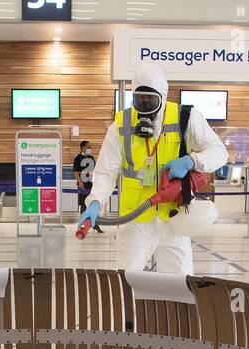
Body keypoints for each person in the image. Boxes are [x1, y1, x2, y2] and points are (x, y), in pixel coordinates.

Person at [79, 63, 228, 273]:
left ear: (163, 96)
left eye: (150, 99)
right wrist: (95, 202)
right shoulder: (121, 125)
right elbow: (105, 172)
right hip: (135, 223)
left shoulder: (186, 118)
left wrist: (191, 161)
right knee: (127, 280)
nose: (145, 105)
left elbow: (220, 152)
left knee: (179, 283)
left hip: (175, 220)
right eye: (139, 99)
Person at [73, 140, 101, 233]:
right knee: (83, 205)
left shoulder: (91, 157)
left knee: (94, 203)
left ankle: (95, 225)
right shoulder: (77, 158)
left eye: (90, 147)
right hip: (83, 185)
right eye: (88, 147)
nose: (90, 149)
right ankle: (82, 226)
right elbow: (75, 172)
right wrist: (80, 182)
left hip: (92, 184)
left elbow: (95, 171)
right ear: (82, 147)